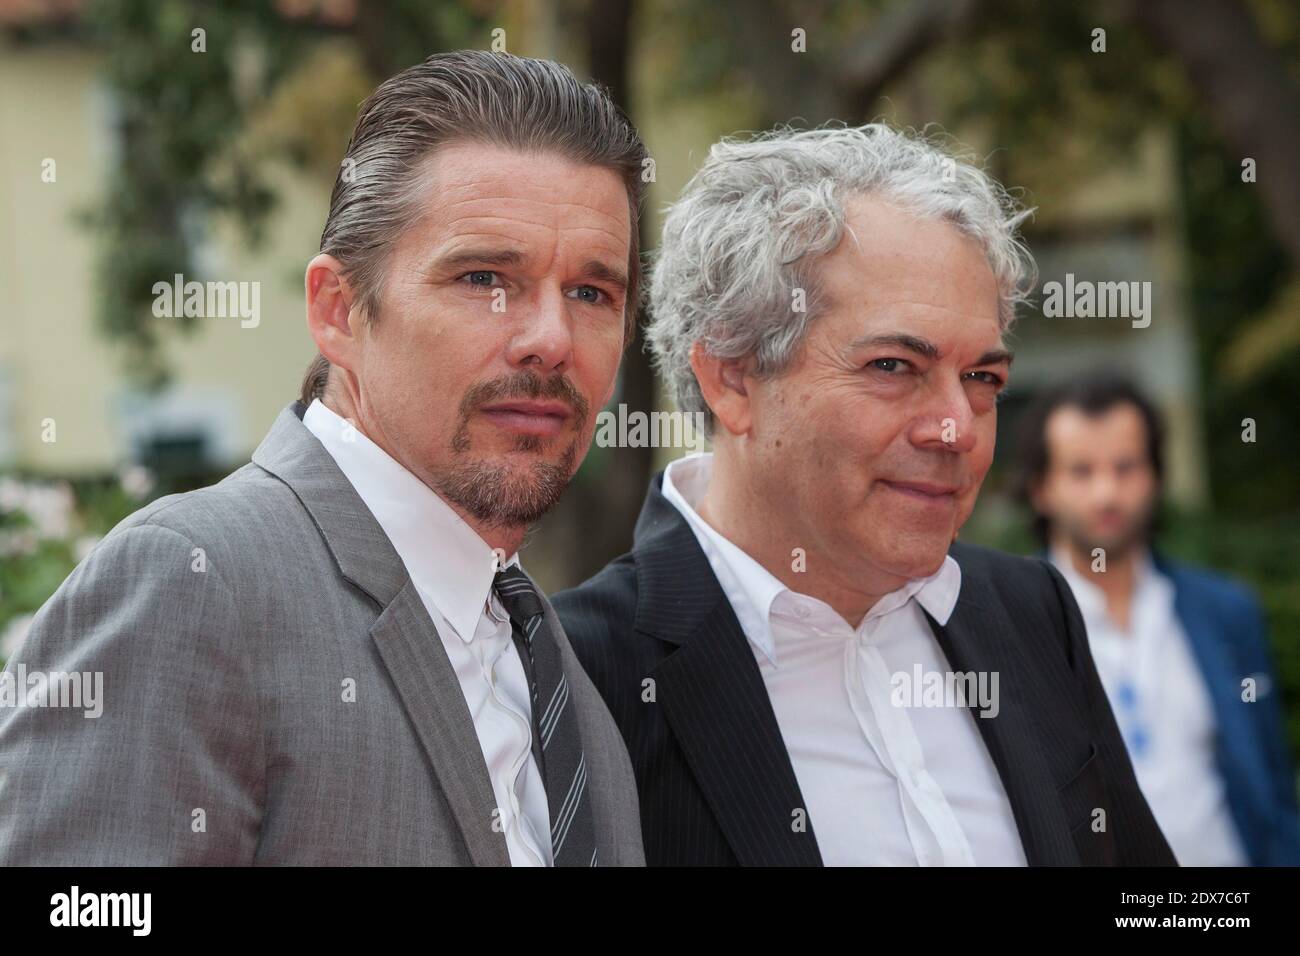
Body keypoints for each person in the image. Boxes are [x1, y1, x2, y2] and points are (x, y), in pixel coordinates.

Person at [0, 50, 647, 866]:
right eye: (486, 277)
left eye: (592, 293)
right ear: (338, 311)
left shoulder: (557, 672)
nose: (552, 338)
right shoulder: (193, 584)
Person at [554, 124, 1175, 866]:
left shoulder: (1028, 611)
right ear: (732, 378)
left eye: (982, 379)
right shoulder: (578, 678)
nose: (956, 429)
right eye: (893, 366)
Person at [1017, 373, 1300, 866]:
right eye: (1081, 471)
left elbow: (1270, 786)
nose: (1107, 493)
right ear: (1041, 488)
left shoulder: (1225, 612)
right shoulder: (1015, 626)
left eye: (1126, 467)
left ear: (1155, 475)